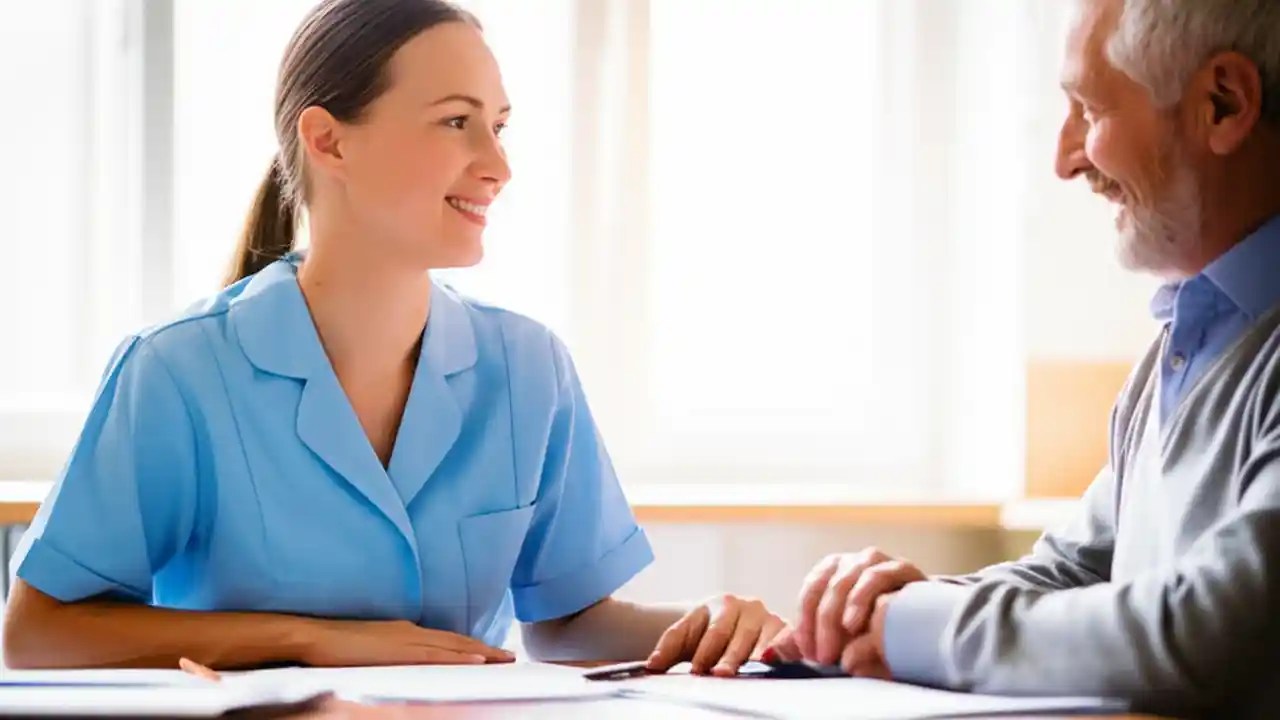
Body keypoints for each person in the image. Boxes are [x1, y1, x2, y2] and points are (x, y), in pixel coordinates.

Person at [2, 0, 785, 674]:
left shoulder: (528, 368)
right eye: (456, 122)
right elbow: (36, 633)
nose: (498, 165)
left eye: (499, 126)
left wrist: (708, 623)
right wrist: (308, 642)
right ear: (329, 141)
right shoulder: (175, 372)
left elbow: (568, 623)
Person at [774, 0, 1280, 716]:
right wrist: (898, 606)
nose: (1065, 157)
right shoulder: (1187, 337)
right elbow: (1076, 570)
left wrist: (921, 628)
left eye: (1089, 109)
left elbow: (1207, 633)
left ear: (1223, 103)